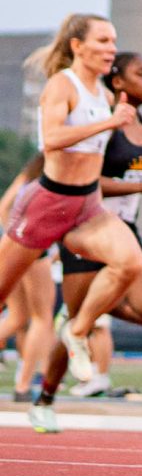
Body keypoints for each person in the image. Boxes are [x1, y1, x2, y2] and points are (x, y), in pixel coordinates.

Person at [0, 14, 142, 390]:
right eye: (102, 41)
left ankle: (76, 332)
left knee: (129, 262)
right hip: (47, 203)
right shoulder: (63, 86)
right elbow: (51, 139)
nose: (111, 48)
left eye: (113, 41)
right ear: (77, 46)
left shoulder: (106, 92)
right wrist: (109, 123)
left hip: (86, 208)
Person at [43, 52, 142, 400]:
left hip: (126, 226)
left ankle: (87, 308)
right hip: (89, 226)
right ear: (117, 82)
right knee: (78, 326)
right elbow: (86, 179)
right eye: (140, 73)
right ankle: (44, 398)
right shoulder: (104, 123)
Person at [0, 156, 55, 403]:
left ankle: (26, 381)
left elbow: (3, 208)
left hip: (12, 244)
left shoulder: (24, 179)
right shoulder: (51, 181)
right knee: (42, 318)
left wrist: (11, 233)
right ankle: (23, 385)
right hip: (34, 247)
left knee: (17, 317)